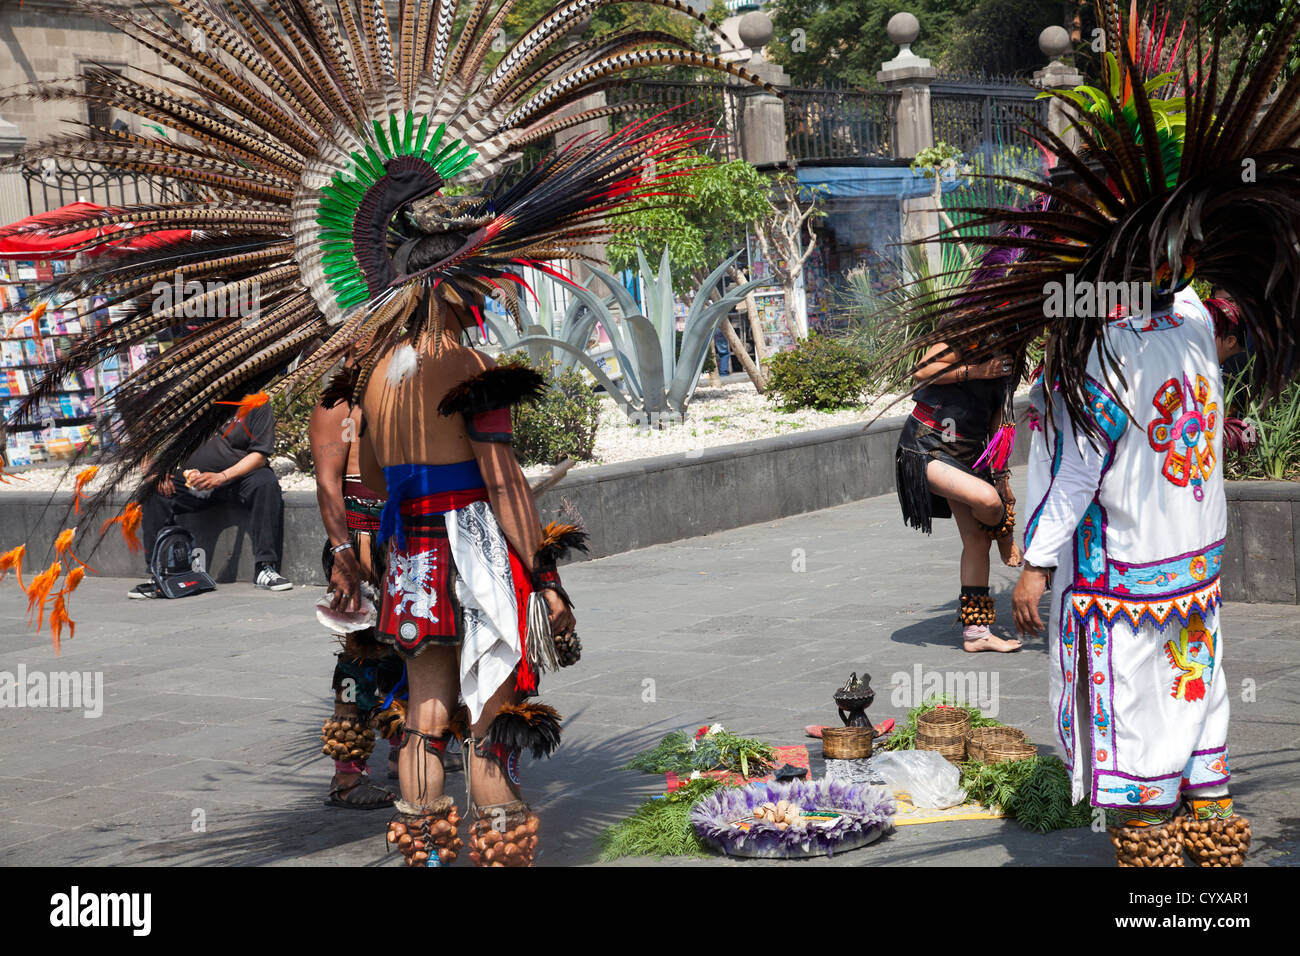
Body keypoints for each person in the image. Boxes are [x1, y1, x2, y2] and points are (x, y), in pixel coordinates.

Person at [897, 4, 1300, 865]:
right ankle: (1213, 858)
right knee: (1199, 702)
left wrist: (1037, 562)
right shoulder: (1186, 317)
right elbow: (1140, 336)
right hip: (1193, 561)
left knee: (1134, 716)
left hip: (1122, 573)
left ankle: (1153, 872)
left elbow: (1080, 468)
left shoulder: (1107, 341)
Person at [356, 279, 579, 867]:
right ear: (455, 291)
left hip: (411, 555)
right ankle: (501, 854)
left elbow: (375, 482)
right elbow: (503, 483)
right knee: (489, 717)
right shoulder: (472, 365)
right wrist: (547, 578)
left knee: (425, 715)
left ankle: (426, 857)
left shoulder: (378, 374)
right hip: (470, 549)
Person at [310, 369, 402, 808]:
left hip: (407, 540)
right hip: (362, 550)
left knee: (416, 648)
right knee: (361, 656)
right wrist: (344, 555)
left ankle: (407, 751)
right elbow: (328, 482)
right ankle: (347, 777)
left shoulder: (398, 386)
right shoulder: (339, 403)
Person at [895, 341, 1023, 653]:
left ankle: (977, 635)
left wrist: (1002, 476)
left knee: (978, 542)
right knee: (990, 503)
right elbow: (922, 370)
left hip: (968, 455)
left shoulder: (1010, 355)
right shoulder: (963, 336)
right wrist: (978, 370)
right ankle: (1005, 533)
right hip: (926, 447)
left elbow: (999, 419)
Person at [131, 401, 291, 597]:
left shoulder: (257, 401)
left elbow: (259, 456)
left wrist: (222, 477)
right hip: (194, 480)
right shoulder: (195, 394)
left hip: (239, 477)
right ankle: (158, 574)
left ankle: (265, 567)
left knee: (266, 482)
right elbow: (149, 433)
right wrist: (155, 471)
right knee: (153, 491)